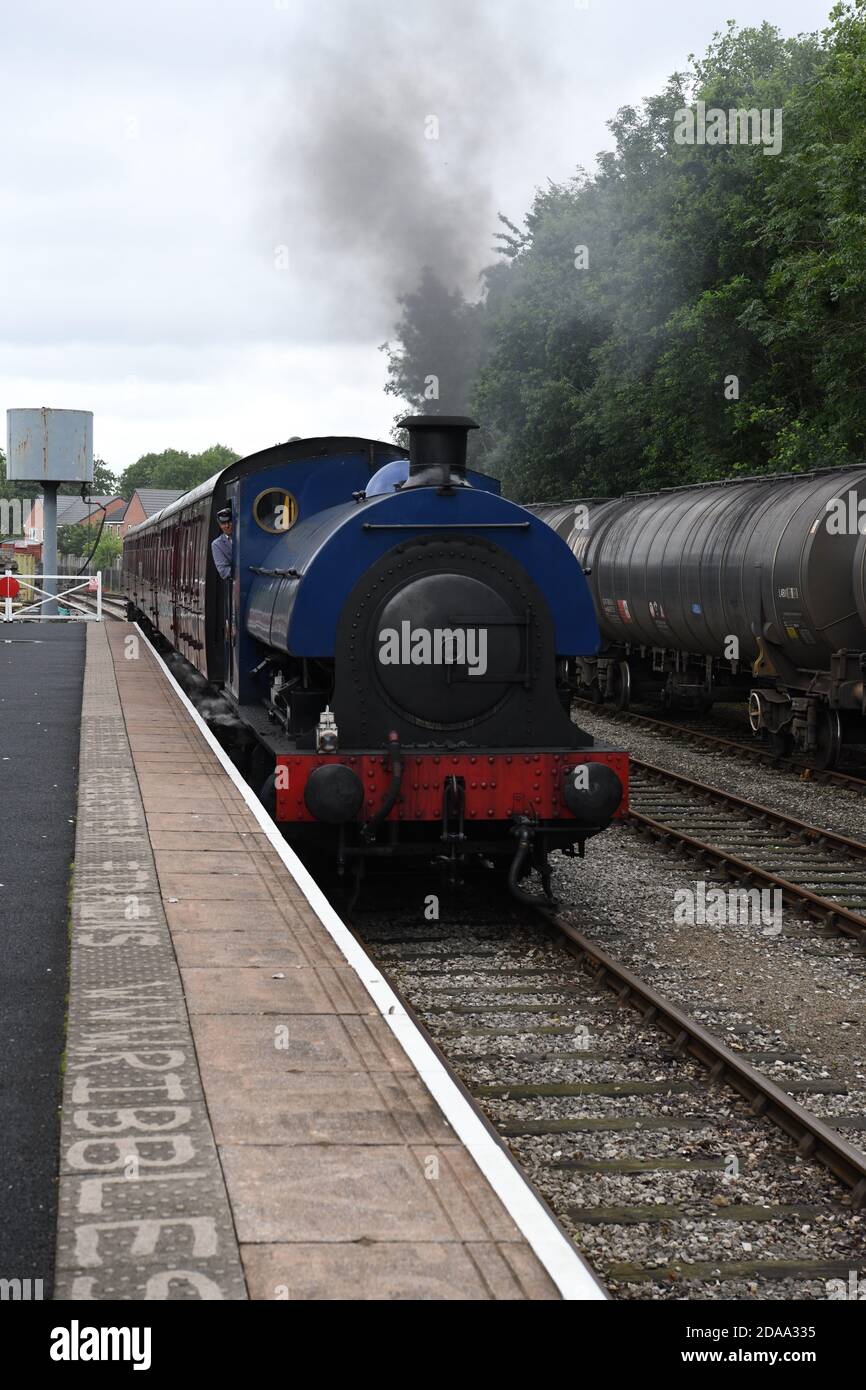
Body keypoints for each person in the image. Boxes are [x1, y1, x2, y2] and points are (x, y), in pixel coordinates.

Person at [211, 508, 233, 579]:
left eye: (229, 522)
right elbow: (223, 571)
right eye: (223, 523)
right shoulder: (217, 544)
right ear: (219, 525)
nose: (227, 526)